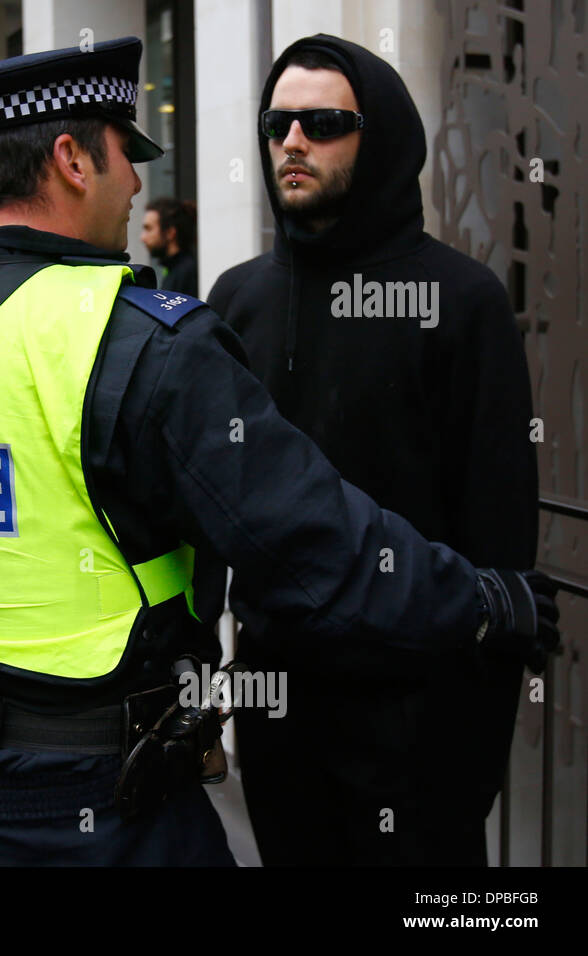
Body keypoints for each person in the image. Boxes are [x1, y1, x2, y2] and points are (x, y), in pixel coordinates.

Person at [0, 36, 559, 867]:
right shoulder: (150, 338)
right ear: (73, 160)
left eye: (321, 122)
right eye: (124, 154)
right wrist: (480, 601)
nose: (140, 182)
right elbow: (297, 531)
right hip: (102, 806)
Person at [206, 35, 541, 867]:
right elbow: (212, 505)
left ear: (379, 134)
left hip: (421, 730)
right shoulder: (235, 299)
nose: (293, 141)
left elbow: (500, 545)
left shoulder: (463, 302)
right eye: (278, 122)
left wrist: (472, 759)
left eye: (323, 122)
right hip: (282, 720)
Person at [141, 197, 197, 296]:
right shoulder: (174, 270)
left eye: (148, 229)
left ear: (170, 233)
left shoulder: (185, 273)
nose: (142, 238)